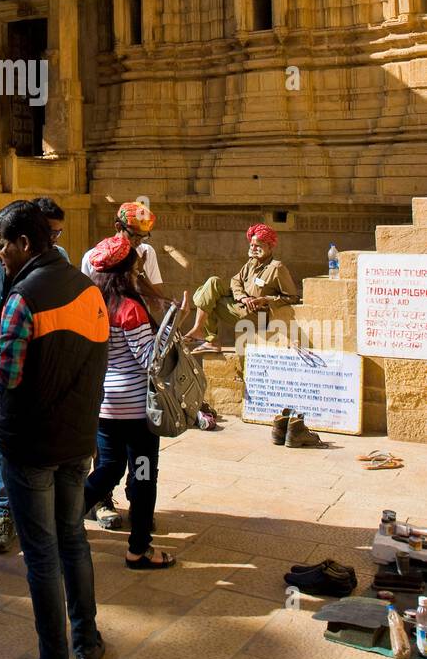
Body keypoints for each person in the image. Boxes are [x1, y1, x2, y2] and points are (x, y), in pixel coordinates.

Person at [0, 200, 110, 659]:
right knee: (73, 537)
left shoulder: (23, 298)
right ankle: (88, 640)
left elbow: (9, 373)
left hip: (31, 442)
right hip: (77, 438)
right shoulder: (88, 290)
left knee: (41, 556)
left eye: (2, 248)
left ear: (25, 244)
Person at [84, 234, 187, 571]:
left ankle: (62, 521)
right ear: (125, 272)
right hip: (135, 412)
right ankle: (139, 549)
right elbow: (149, 359)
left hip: (105, 405)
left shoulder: (93, 306)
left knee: (109, 468)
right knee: (142, 475)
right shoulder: (130, 310)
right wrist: (175, 322)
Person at [0, 197, 70, 553]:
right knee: (8, 443)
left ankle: (55, 516)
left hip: (50, 372)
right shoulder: (4, 263)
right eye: (50, 231)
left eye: (58, 232)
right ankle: (5, 513)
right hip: (11, 369)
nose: (55, 238)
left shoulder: (60, 262)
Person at [183, 223, 299, 354]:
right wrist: (242, 297)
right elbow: (235, 281)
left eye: (258, 245)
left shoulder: (277, 268)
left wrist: (265, 300)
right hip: (241, 304)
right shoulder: (251, 263)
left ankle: (210, 340)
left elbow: (292, 298)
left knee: (208, 299)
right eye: (252, 245)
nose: (253, 248)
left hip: (255, 315)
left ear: (269, 246)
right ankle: (199, 330)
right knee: (212, 283)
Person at [81, 201, 164, 294]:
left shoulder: (146, 251)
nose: (139, 242)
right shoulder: (92, 257)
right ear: (119, 227)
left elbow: (158, 300)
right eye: (134, 235)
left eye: (143, 237)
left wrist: (141, 272)